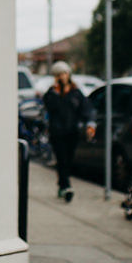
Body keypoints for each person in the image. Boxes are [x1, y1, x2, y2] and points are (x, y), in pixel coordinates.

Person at [42, 61, 89, 202]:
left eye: (63, 74)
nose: (61, 77)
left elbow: (85, 109)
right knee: (61, 159)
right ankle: (67, 187)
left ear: (68, 74)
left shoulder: (76, 93)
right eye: (58, 75)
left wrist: (89, 124)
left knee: (68, 160)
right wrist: (56, 92)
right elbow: (50, 107)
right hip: (57, 133)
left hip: (72, 132)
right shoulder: (51, 94)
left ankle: (62, 185)